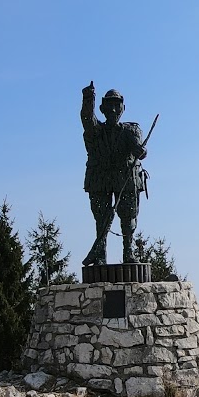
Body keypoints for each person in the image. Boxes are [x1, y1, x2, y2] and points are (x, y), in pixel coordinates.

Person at [80, 82, 148, 266]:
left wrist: (139, 151)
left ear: (123, 108)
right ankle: (100, 255)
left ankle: (129, 252)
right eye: (109, 105)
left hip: (124, 179)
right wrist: (88, 98)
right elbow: (87, 118)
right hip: (100, 179)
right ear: (101, 108)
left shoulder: (131, 130)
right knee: (101, 219)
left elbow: (137, 147)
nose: (113, 109)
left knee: (128, 218)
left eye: (117, 105)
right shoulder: (96, 131)